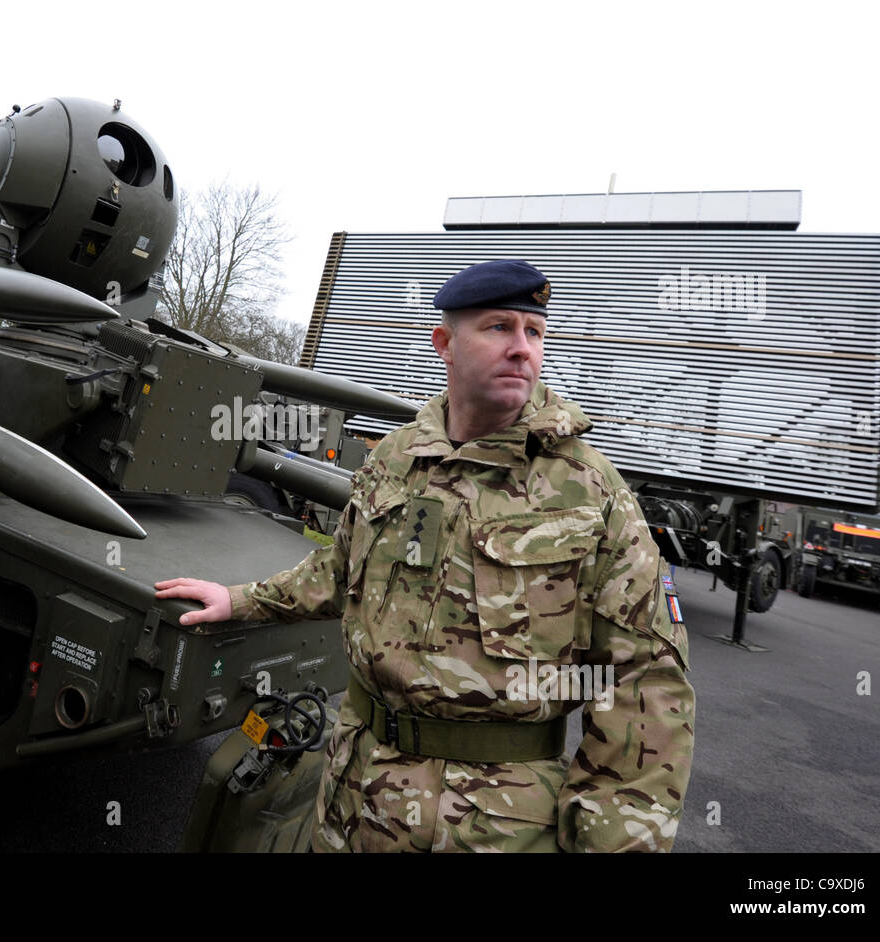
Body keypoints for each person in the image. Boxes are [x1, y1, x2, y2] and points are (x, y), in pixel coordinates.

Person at [156, 259, 695, 853]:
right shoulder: (396, 459)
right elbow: (339, 570)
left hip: (489, 826)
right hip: (351, 796)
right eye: (498, 328)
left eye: (533, 332)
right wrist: (239, 600)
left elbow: (644, 685)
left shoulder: (588, 491)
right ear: (445, 343)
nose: (522, 348)